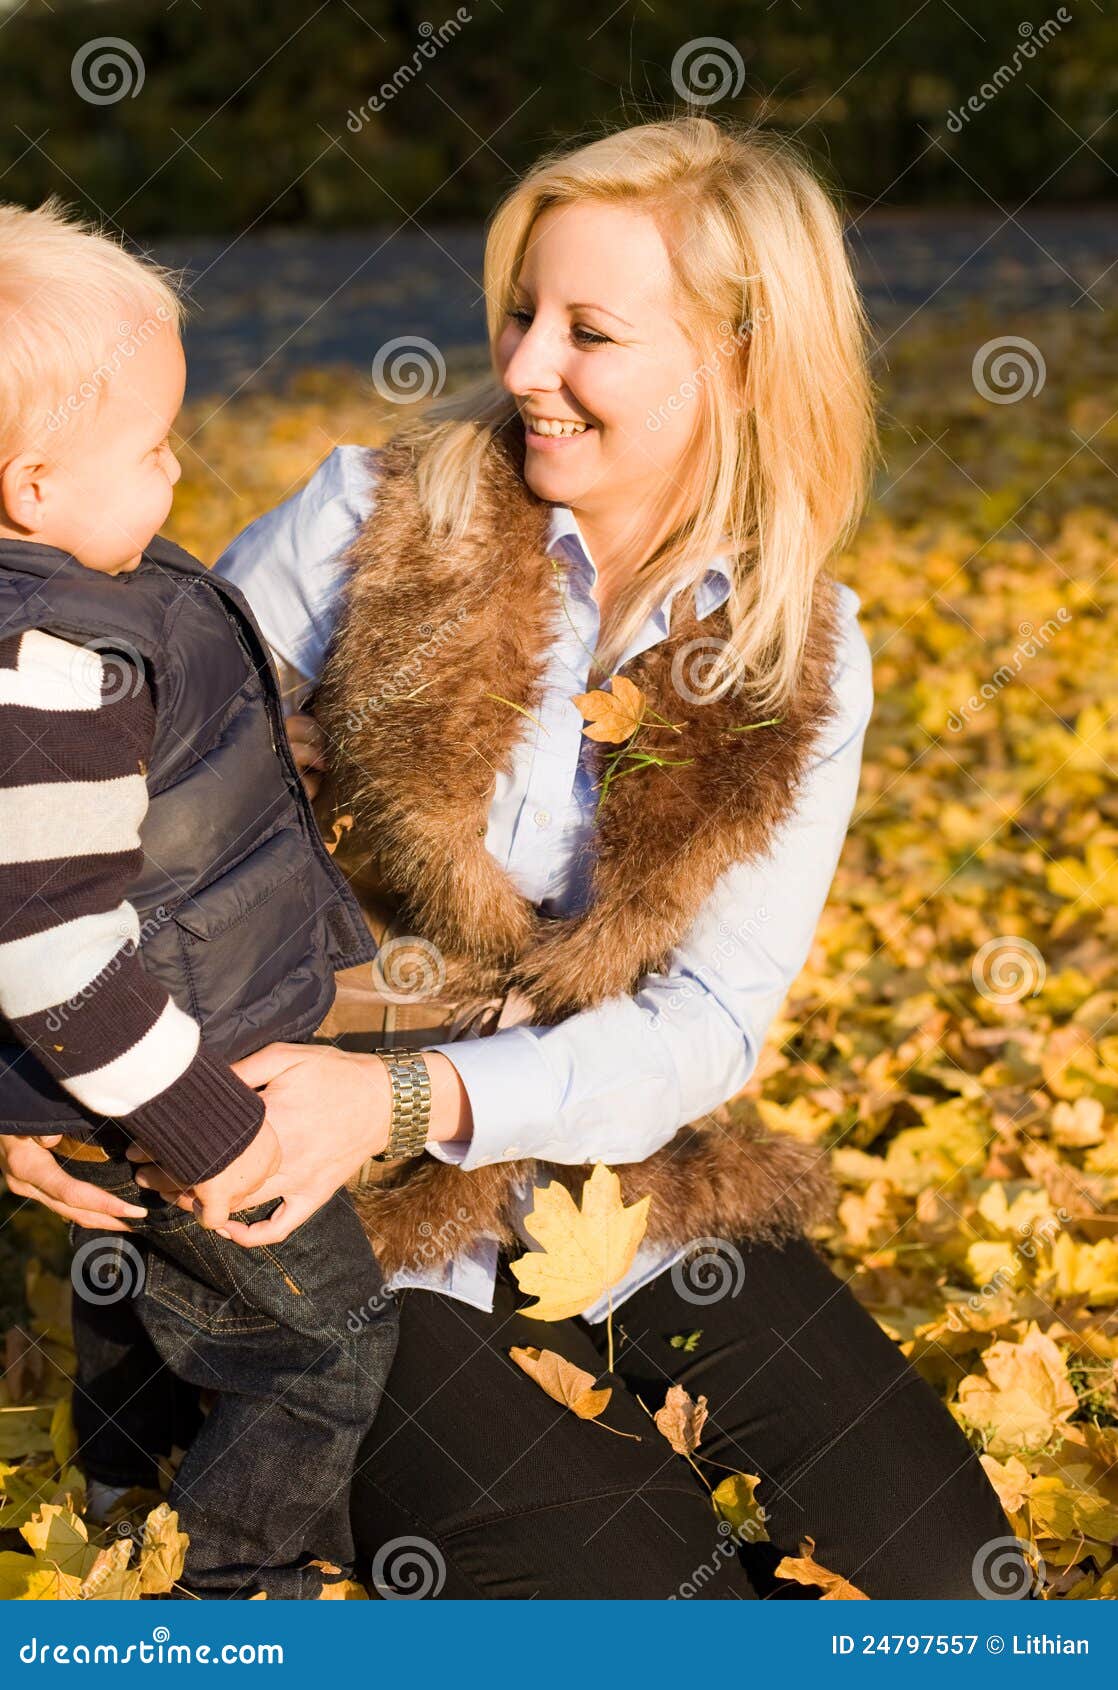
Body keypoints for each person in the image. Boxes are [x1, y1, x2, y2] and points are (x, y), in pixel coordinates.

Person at [187, 115, 1026, 1598]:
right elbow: (107, 807)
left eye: (589, 332)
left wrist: (425, 1094)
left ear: (743, 363)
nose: (523, 368)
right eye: (521, 313)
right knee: (632, 1588)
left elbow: (708, 1020)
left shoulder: (801, 650)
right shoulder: (368, 522)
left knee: (951, 1589)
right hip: (315, 1209)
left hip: (612, 1180)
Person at [0, 199, 398, 1599]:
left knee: (140, 1317)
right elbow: (45, 947)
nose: (180, 466)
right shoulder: (59, 663)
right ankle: (232, 1594)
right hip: (165, 1083)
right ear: (33, 486)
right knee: (322, 1346)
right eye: (154, 447)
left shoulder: (78, 595)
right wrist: (211, 1129)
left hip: (117, 1083)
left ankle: (117, 1531)